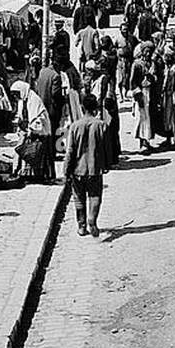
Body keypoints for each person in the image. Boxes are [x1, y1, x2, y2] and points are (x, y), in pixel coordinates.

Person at [65, 91, 111, 238]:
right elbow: (107, 148)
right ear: (96, 108)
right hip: (95, 168)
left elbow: (70, 151)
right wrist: (106, 165)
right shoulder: (101, 125)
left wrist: (66, 169)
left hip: (77, 169)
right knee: (95, 196)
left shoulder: (74, 126)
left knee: (78, 198)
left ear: (82, 107)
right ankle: (92, 219)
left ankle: (82, 225)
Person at [11, 80, 54, 181]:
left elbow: (36, 116)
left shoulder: (33, 99)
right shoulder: (22, 100)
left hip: (40, 129)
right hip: (29, 129)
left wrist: (31, 128)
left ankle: (41, 175)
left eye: (16, 93)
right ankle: (26, 174)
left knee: (39, 152)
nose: (15, 96)